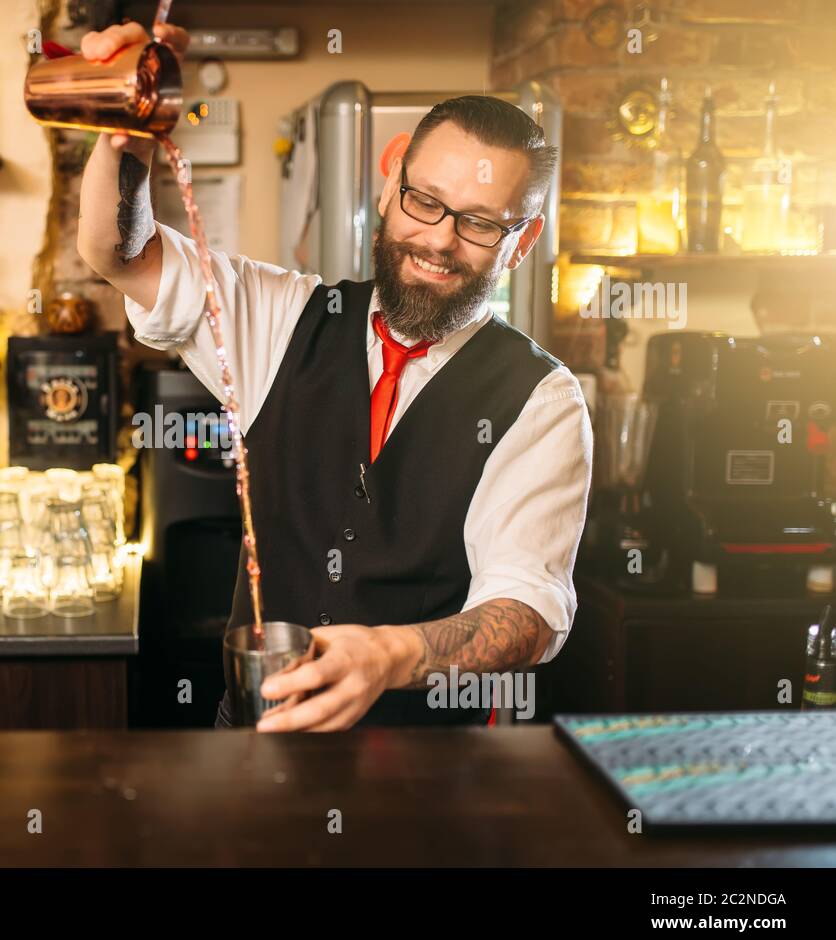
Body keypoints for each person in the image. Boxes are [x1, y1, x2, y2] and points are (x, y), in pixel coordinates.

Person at [77, 21, 592, 731]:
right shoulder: (282, 316)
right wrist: (125, 140)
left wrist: (391, 655)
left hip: (429, 771)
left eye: (479, 223)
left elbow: (526, 613)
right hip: (255, 743)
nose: (439, 239)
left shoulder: (543, 400)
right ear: (389, 187)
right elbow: (121, 253)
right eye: (425, 201)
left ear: (522, 242)